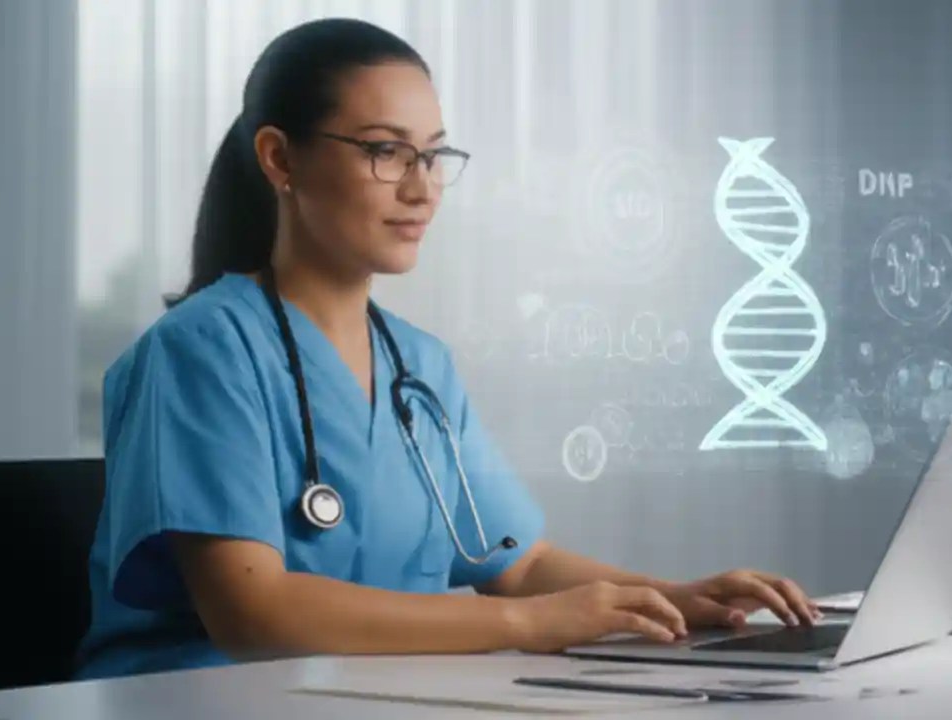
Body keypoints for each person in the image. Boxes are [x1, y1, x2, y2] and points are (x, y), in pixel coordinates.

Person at [73, 17, 820, 681]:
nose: (422, 188)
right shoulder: (201, 351)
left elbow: (515, 561)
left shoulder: (417, 366)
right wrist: (528, 627)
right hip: (200, 703)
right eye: (385, 152)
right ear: (279, 159)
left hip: (381, 697)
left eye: (434, 155)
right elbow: (254, 612)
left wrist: (673, 599)